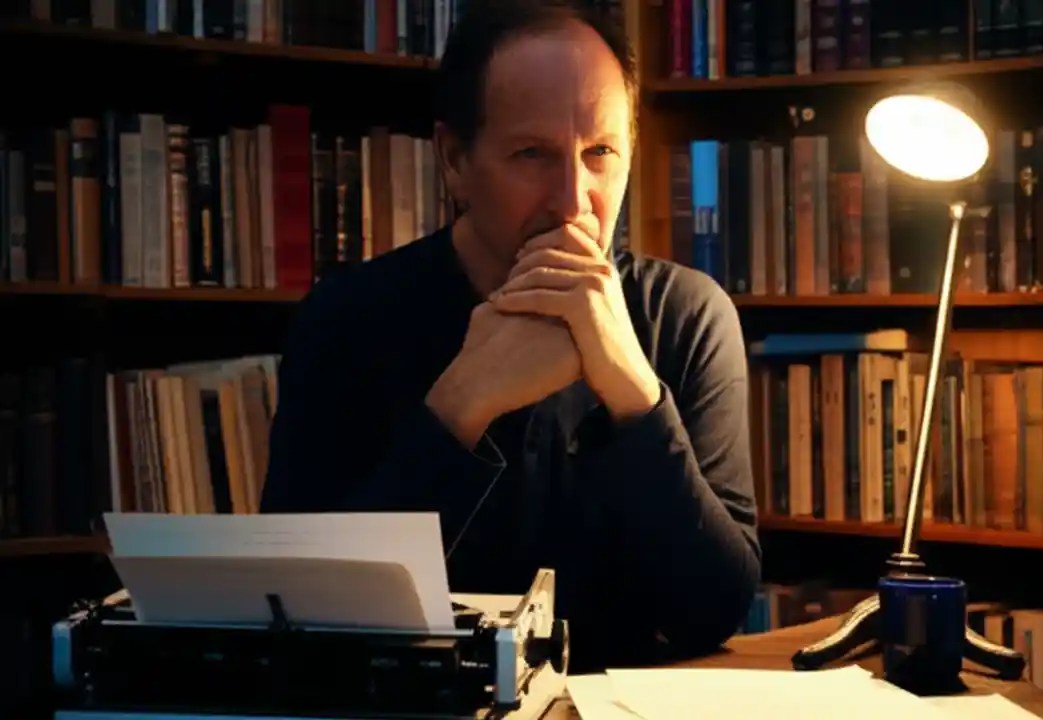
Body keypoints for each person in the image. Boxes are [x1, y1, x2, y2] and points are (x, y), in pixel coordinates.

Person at [259, 0, 760, 673]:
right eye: (533, 154)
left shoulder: (688, 313)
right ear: (455, 160)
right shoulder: (345, 317)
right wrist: (462, 404)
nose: (574, 201)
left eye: (601, 153)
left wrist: (632, 386)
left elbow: (714, 609)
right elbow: (302, 606)